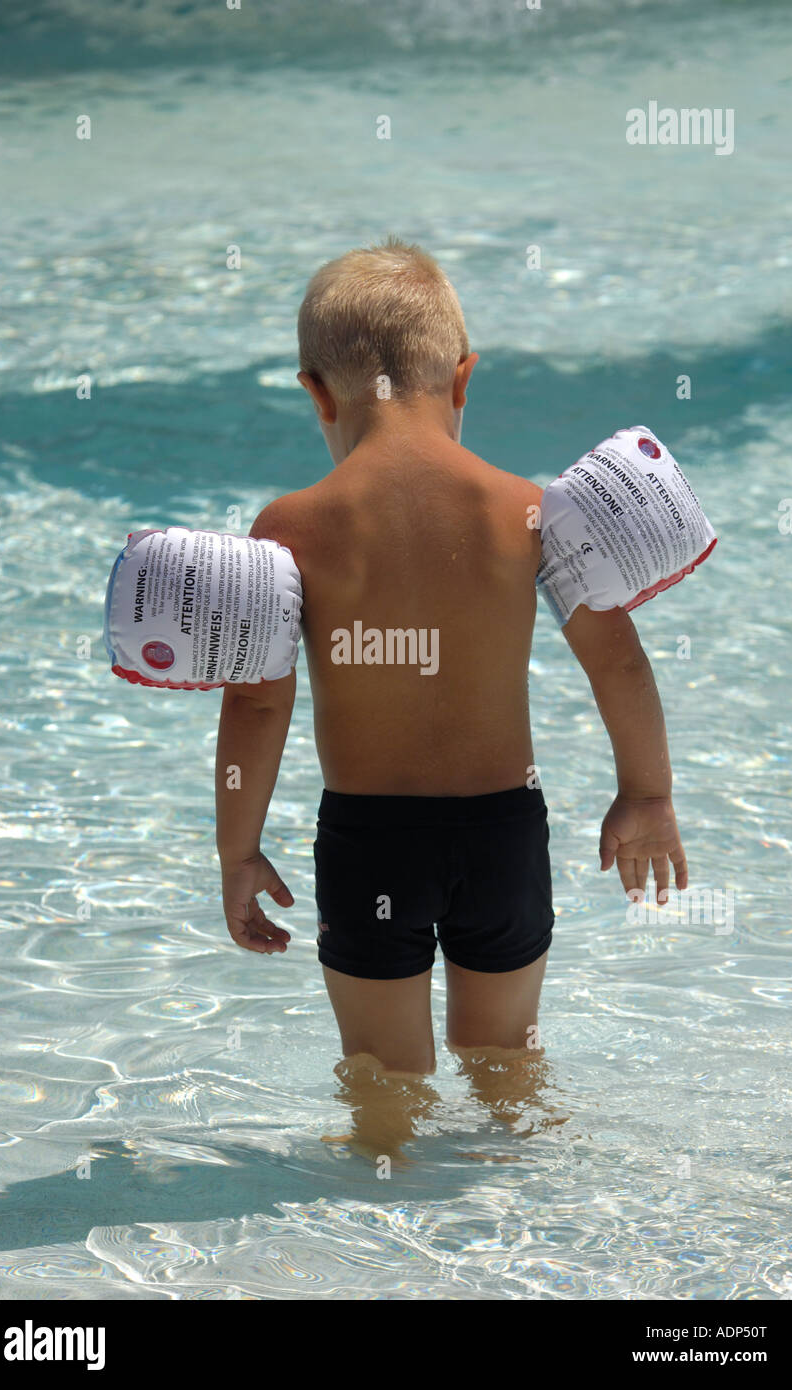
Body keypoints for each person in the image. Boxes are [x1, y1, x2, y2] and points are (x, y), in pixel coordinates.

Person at [214, 238, 687, 1152]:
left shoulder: (292, 527)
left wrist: (238, 850)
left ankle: (377, 1251)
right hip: (503, 835)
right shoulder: (524, 508)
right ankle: (542, 1226)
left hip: (370, 844)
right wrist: (647, 794)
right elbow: (616, 662)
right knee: (506, 1061)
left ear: (315, 392)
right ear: (463, 378)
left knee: (384, 1084)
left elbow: (258, 705)